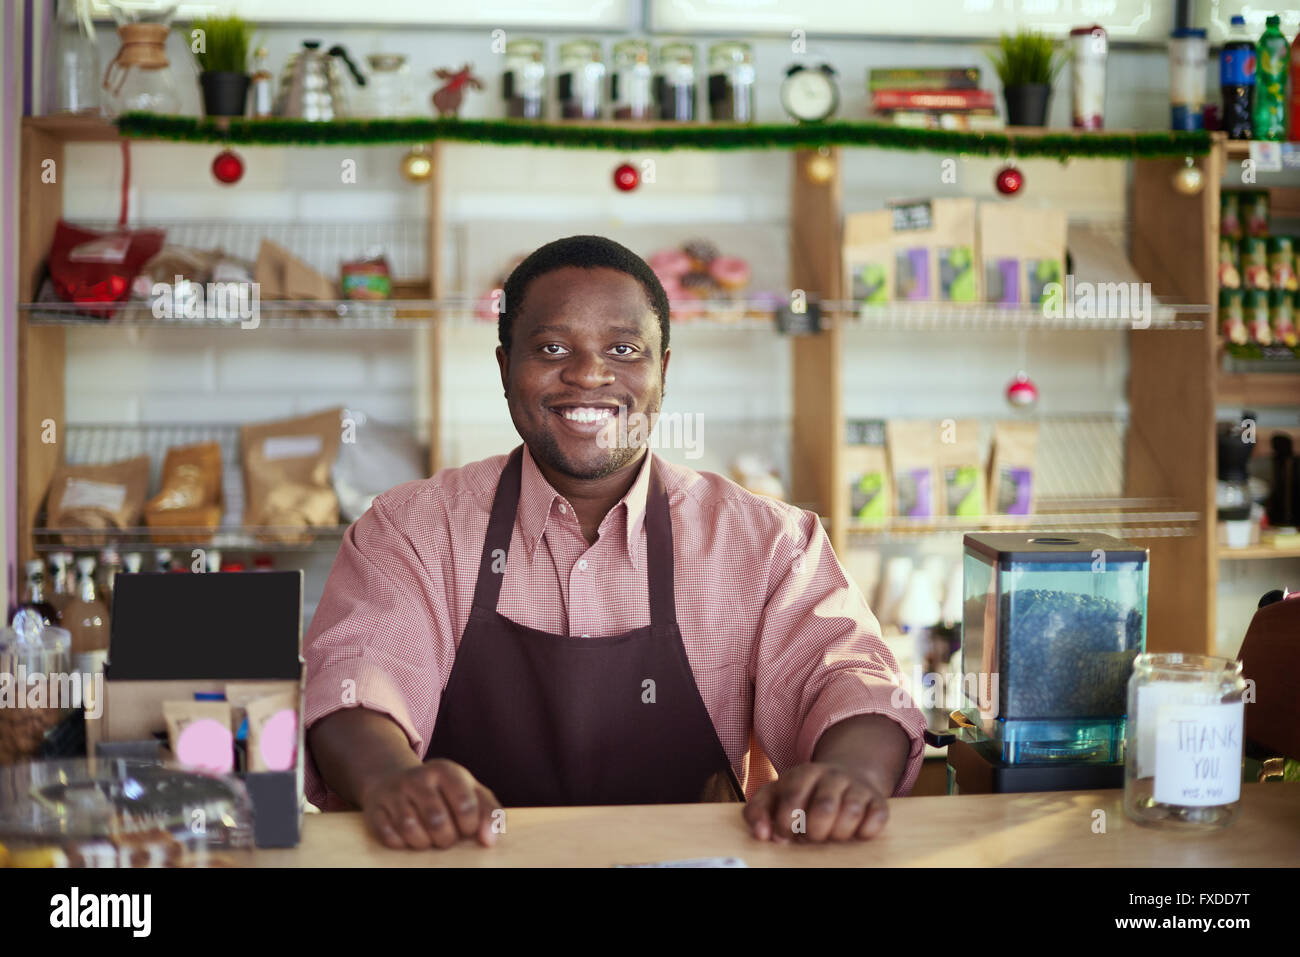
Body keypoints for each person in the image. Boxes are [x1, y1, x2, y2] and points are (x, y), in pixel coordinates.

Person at [305, 235, 926, 850]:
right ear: (503, 367)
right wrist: (390, 778)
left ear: (662, 371)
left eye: (624, 349)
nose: (588, 374)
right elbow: (356, 680)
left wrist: (851, 775)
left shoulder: (764, 544)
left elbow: (848, 680)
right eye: (551, 348)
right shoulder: (415, 529)